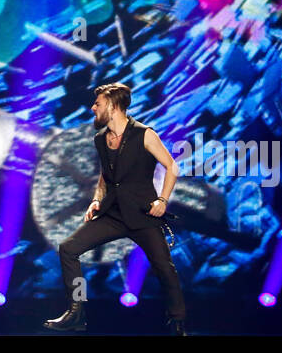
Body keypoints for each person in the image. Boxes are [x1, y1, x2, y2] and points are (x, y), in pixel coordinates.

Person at [44, 82, 187, 335]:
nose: (93, 108)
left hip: (143, 214)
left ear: (112, 106)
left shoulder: (144, 134)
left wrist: (162, 201)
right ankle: (76, 311)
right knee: (68, 249)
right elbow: (105, 176)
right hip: (113, 213)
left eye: (97, 104)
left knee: (164, 267)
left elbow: (172, 167)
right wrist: (97, 199)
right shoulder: (101, 139)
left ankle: (177, 321)